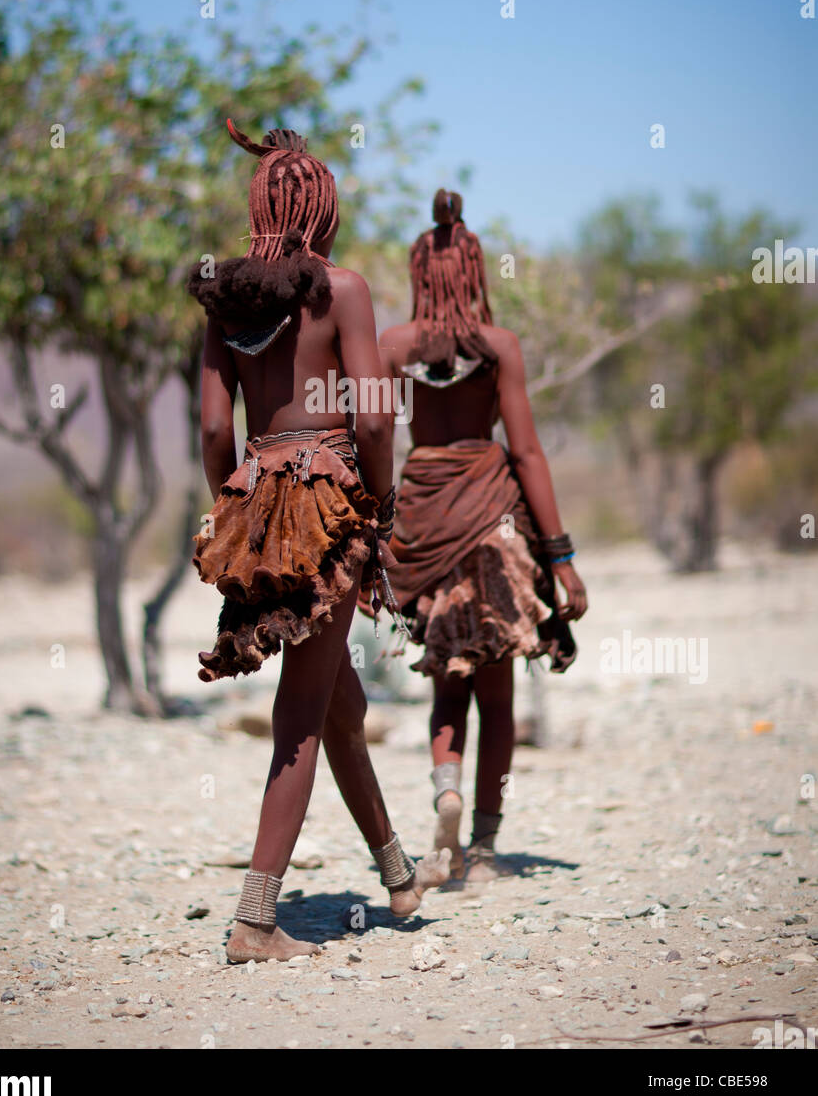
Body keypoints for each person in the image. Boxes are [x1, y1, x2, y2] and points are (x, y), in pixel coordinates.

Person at [187, 121, 449, 963]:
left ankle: (399, 874)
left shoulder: (224, 302)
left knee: (340, 703)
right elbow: (374, 414)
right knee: (301, 711)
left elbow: (209, 428)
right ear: (321, 206)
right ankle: (256, 922)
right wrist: (373, 506)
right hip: (330, 499)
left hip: (259, 498)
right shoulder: (344, 289)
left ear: (259, 202)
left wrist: (236, 513)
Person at [378, 190, 588, 882]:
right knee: (498, 696)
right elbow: (527, 453)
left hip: (425, 521)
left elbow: (374, 439)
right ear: (475, 273)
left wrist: (375, 543)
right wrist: (561, 559)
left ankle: (445, 795)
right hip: (496, 524)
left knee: (447, 683)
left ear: (419, 275)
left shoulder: (392, 348)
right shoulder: (499, 348)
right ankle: (487, 850)